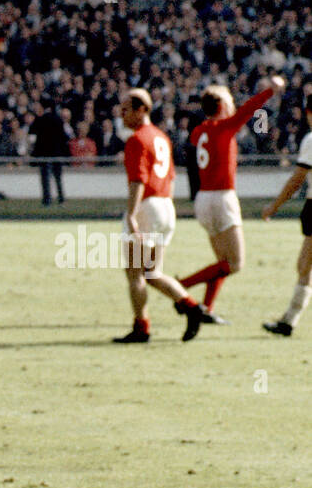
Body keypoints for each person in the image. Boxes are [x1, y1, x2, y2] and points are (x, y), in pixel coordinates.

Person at [179, 76, 285, 321]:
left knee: (221, 263)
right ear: (222, 106)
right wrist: (270, 90)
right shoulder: (225, 126)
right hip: (222, 197)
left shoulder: (198, 131)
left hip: (203, 200)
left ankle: (206, 309)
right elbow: (250, 109)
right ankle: (181, 285)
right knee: (235, 264)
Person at [111, 88, 206, 344]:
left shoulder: (137, 139)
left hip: (147, 206)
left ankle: (142, 327)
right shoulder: (161, 137)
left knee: (135, 273)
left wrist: (132, 214)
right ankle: (191, 306)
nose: (122, 114)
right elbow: (171, 177)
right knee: (153, 273)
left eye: (126, 109)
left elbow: (138, 180)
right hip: (165, 205)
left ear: (142, 109)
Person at [260, 92, 312, 336]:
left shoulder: (311, 140)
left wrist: (274, 206)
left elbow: (297, 179)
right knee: (304, 265)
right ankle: (289, 321)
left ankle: (288, 322)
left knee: (304, 266)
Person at [30, 100, 69, 205]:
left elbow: (34, 137)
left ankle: (47, 200)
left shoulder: (40, 120)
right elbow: (64, 137)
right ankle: (61, 199)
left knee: (45, 179)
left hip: (44, 154)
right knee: (58, 178)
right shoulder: (58, 120)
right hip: (56, 154)